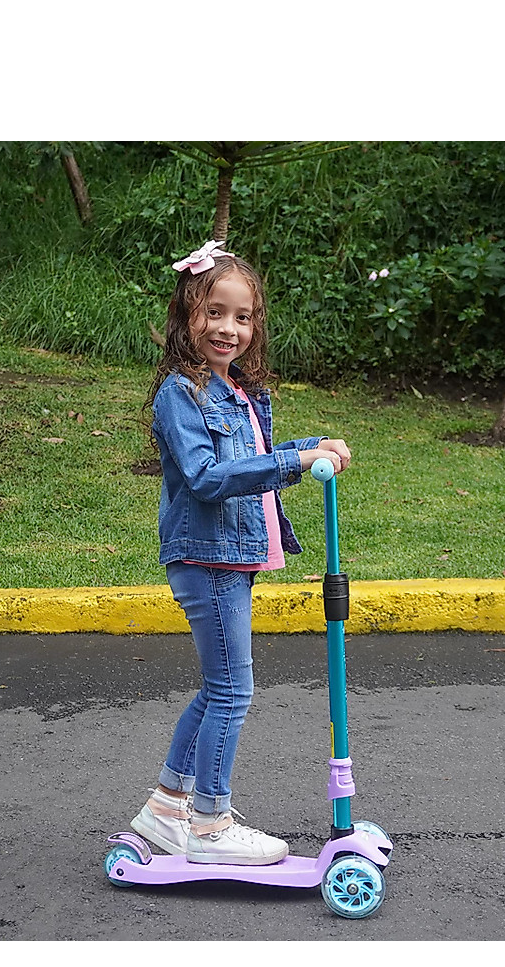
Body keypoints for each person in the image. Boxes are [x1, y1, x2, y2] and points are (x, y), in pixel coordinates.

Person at [129, 240, 351, 865]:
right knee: (232, 692)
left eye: (243, 316)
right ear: (187, 316)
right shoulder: (182, 392)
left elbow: (250, 456)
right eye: (215, 312)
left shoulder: (236, 390)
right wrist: (294, 462)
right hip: (209, 558)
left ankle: (166, 808)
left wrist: (312, 446)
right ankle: (210, 824)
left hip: (231, 556)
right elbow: (207, 477)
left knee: (218, 688)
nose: (229, 328)